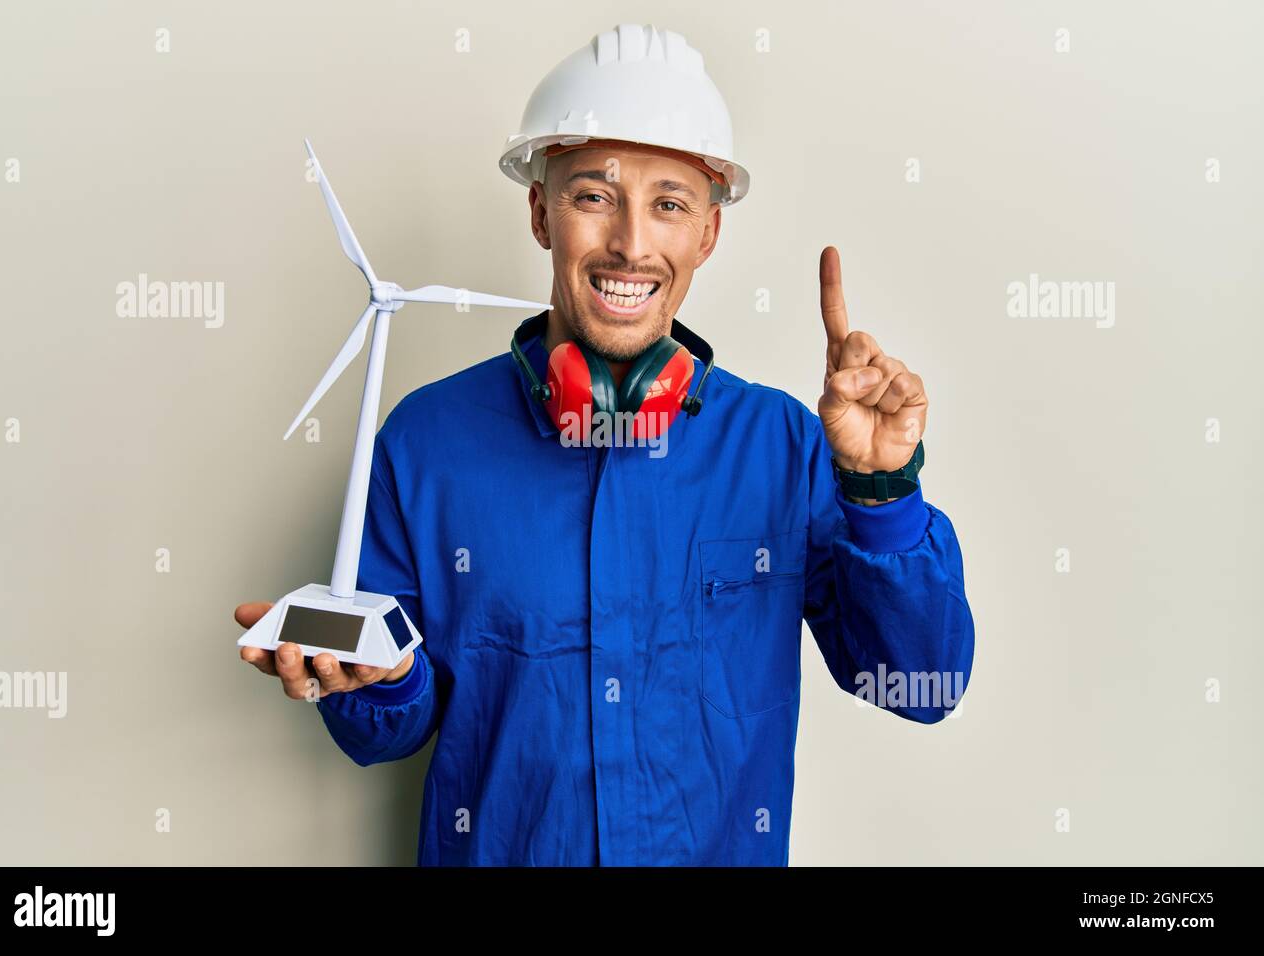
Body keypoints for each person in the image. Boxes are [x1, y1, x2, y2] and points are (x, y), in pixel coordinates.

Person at [236, 22, 975, 866]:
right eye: (593, 195)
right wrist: (375, 679)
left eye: (669, 203)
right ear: (540, 211)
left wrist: (882, 493)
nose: (631, 242)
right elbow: (384, 735)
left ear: (708, 233)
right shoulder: (425, 443)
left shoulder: (783, 446)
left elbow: (928, 684)